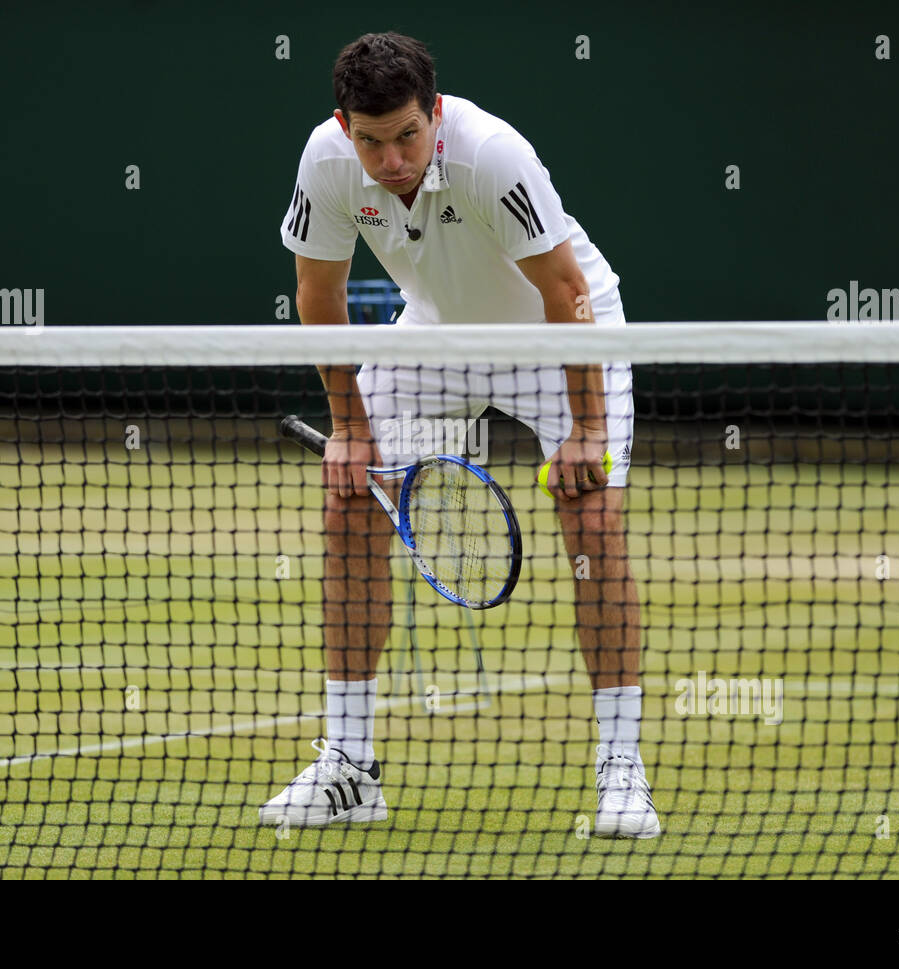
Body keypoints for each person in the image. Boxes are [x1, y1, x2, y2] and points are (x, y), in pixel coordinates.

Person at [262, 31, 659, 838]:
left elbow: (567, 292)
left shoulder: (491, 156)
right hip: (437, 336)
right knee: (349, 503)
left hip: (559, 335)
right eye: (371, 141)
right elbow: (318, 296)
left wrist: (586, 429)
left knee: (593, 518)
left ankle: (622, 769)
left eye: (407, 135)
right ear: (344, 128)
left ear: (434, 114)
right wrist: (349, 429)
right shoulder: (327, 162)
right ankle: (349, 765)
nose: (392, 159)